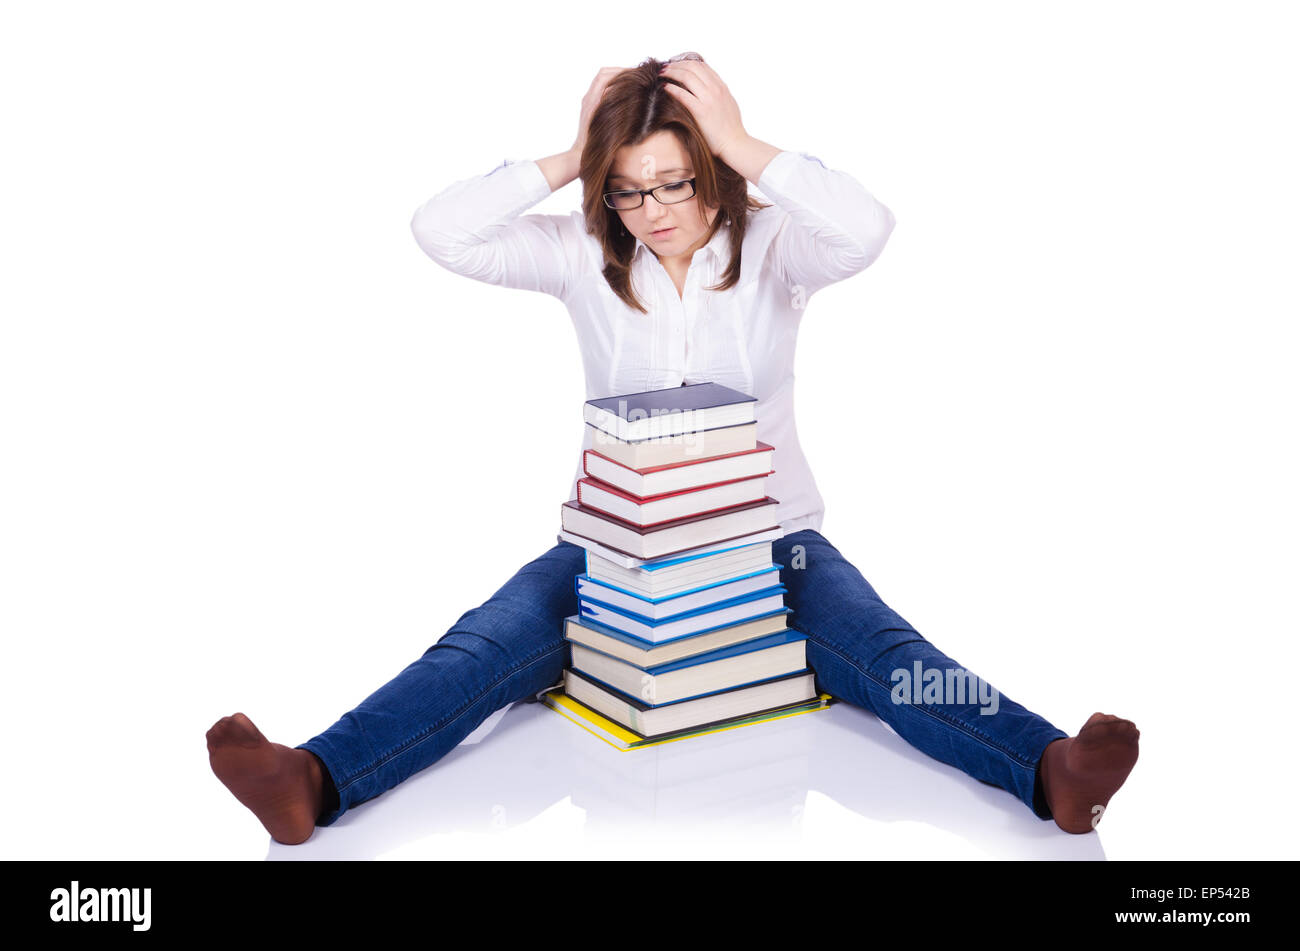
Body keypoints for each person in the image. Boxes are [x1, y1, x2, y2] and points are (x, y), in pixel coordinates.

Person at [207, 54, 1139, 845]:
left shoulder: (776, 248)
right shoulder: (581, 253)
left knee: (893, 656)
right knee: (480, 647)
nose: (647, 209)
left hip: (776, 542)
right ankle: (314, 779)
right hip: (609, 550)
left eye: (672, 182)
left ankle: (1050, 766)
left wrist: (741, 140)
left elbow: (867, 227)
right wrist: (574, 153)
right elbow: (439, 230)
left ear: (709, 170)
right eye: (625, 187)